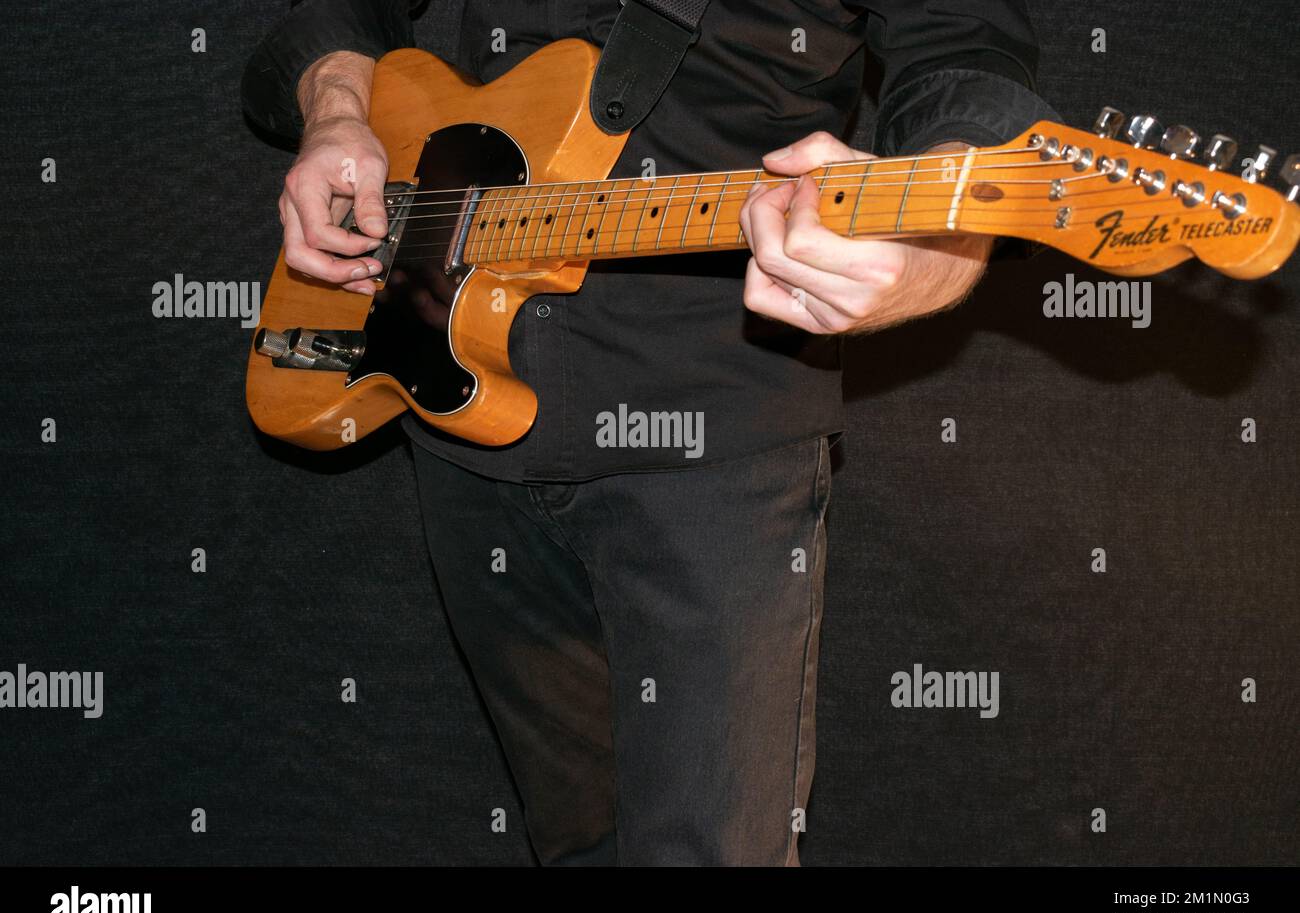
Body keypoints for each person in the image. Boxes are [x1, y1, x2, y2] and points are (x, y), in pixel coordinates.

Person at [242, 0, 1057, 865]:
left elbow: (964, 55)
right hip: (457, 411)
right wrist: (337, 109)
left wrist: (937, 255)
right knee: (577, 844)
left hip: (714, 437)